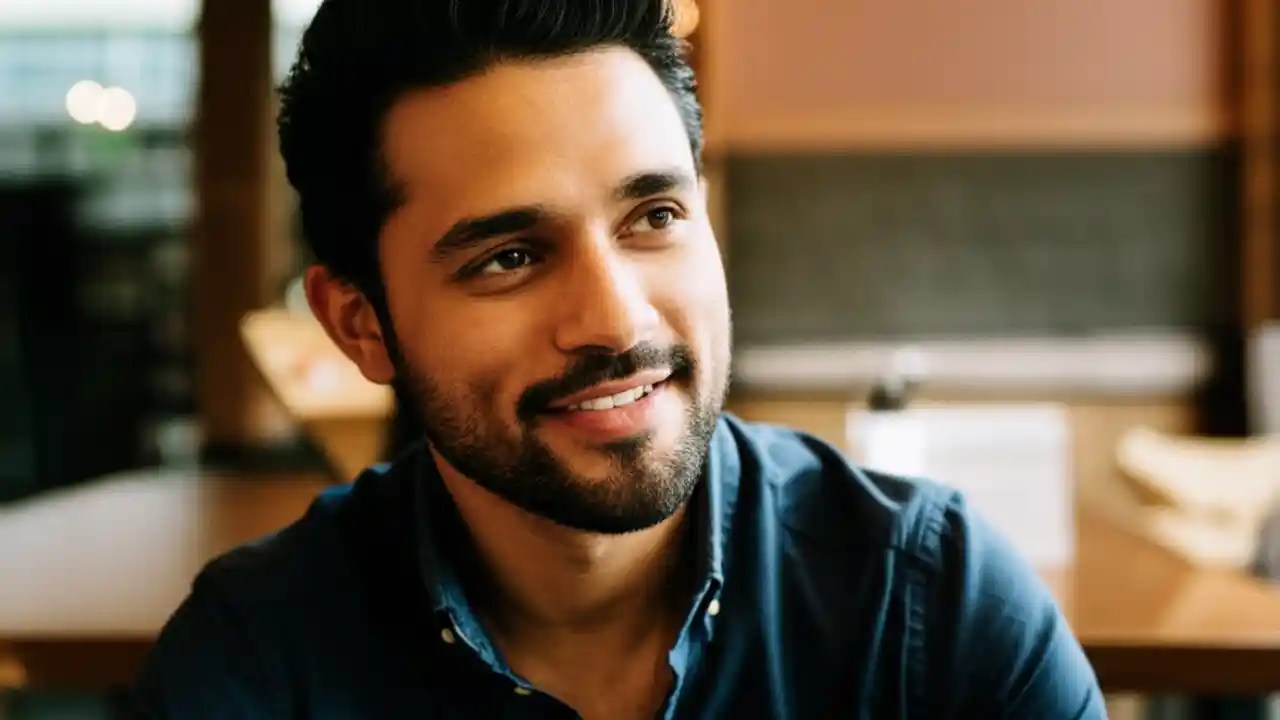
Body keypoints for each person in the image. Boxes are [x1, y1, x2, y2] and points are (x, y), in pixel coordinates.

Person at [132, 1, 1104, 717]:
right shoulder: (257, 663)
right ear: (360, 325)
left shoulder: (926, 608)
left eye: (653, 217)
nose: (615, 319)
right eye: (508, 257)